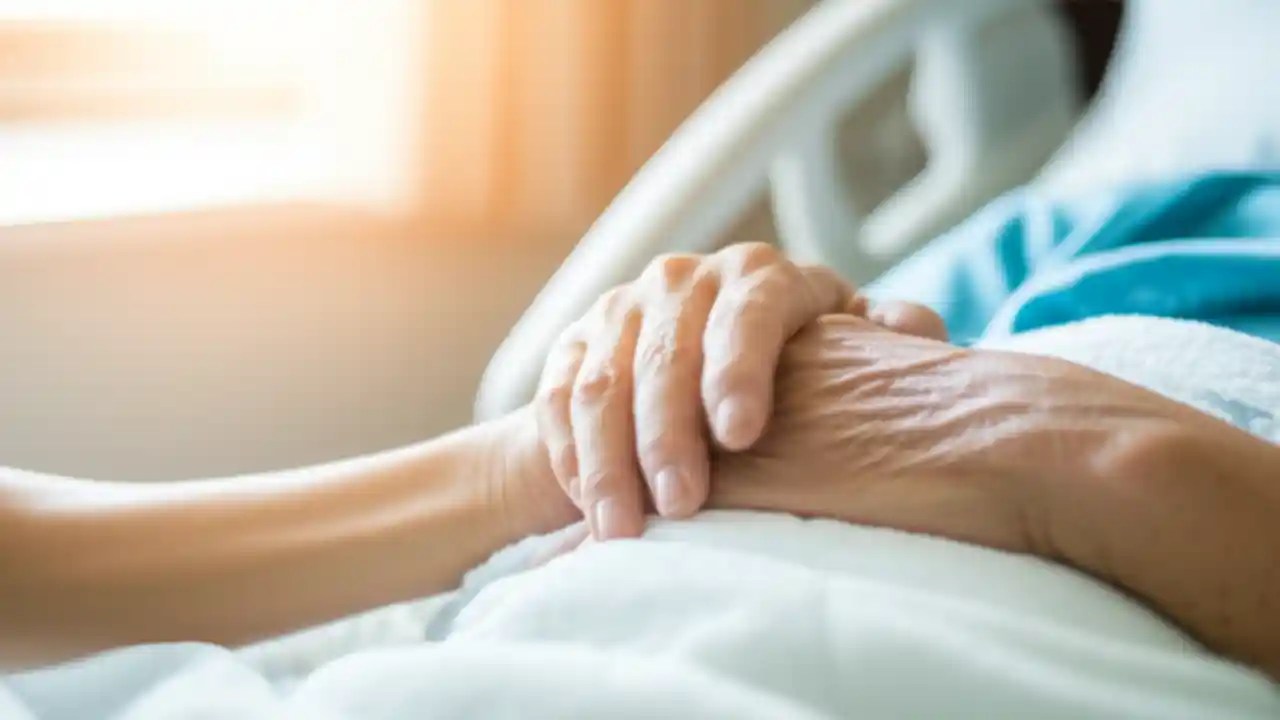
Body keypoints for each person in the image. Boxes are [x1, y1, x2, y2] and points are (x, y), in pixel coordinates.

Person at [2, 170, 1279, 686]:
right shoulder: (1132, 224)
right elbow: (844, 396)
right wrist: (576, 441)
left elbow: (943, 418)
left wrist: (1089, 454)